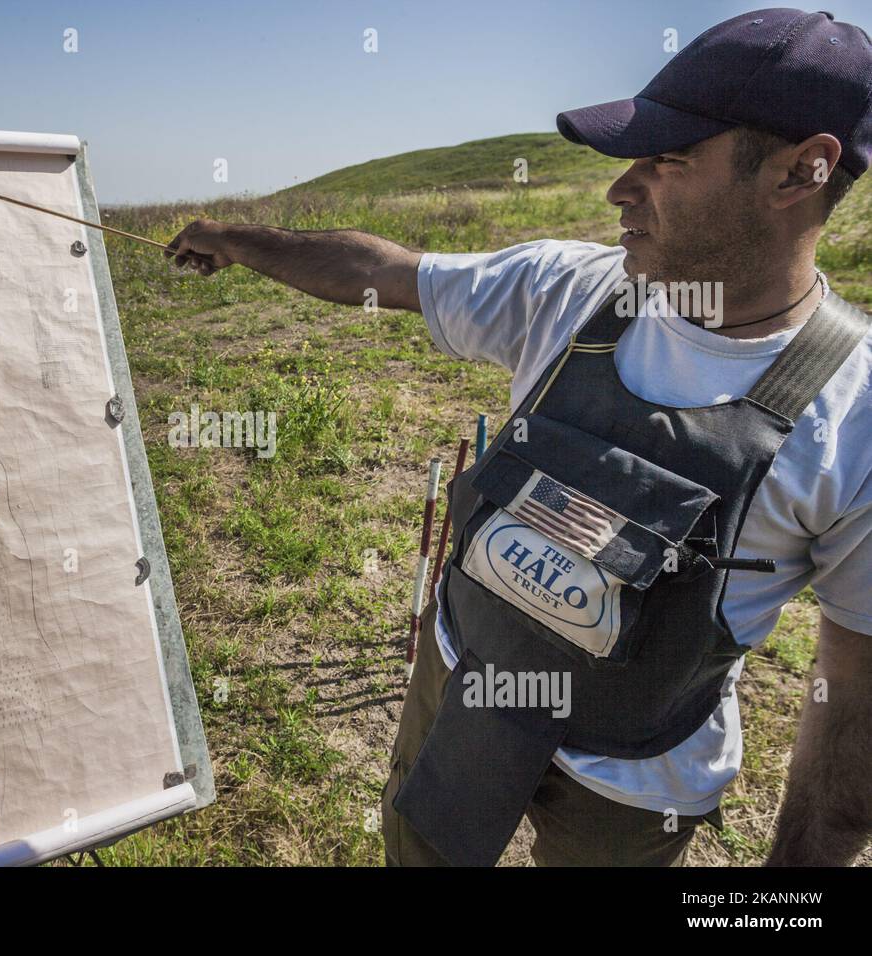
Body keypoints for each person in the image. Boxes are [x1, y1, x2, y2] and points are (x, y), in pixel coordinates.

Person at [164, 8, 872, 866]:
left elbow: (855, 699)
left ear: (804, 170)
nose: (620, 190)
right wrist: (233, 238)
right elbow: (381, 272)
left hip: (633, 784)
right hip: (465, 681)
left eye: (669, 160)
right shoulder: (565, 289)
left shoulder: (855, 417)